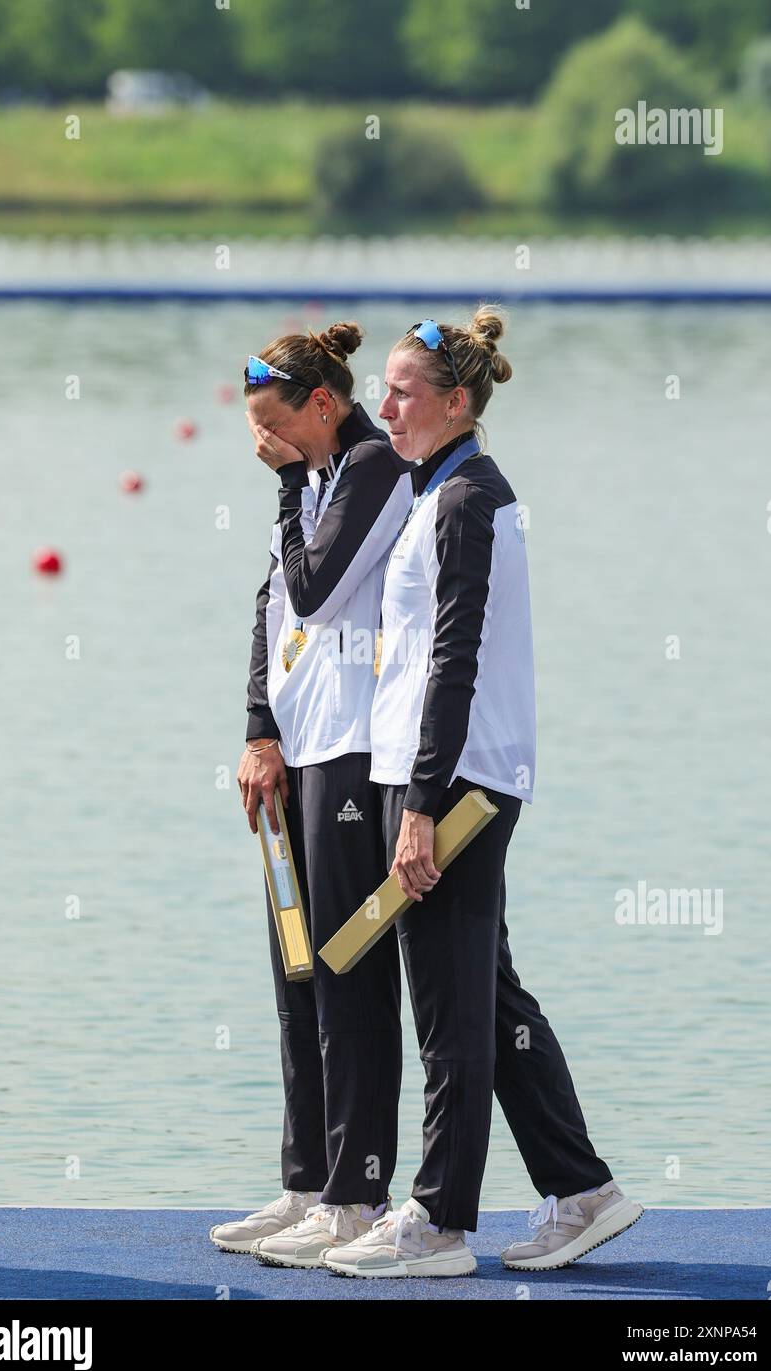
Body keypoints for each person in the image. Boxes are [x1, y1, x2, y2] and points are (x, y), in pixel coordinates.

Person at [320, 308, 643, 1278]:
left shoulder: (465, 502)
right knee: (487, 994)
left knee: (450, 1007)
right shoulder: (439, 490)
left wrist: (420, 805)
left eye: (402, 392)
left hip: (453, 782)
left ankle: (437, 1221)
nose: (383, 406)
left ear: (456, 403)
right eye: (380, 389)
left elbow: (454, 661)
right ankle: (581, 1189)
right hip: (430, 774)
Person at [209, 321, 414, 1268]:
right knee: (297, 979)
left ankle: (359, 1194)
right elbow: (271, 603)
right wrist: (260, 730)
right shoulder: (319, 476)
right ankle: (307, 1183)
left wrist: (290, 486)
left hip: (353, 753)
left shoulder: (368, 466)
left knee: (346, 978)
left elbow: (320, 589)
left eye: (275, 433)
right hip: (295, 754)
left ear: (322, 406)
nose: (266, 450)